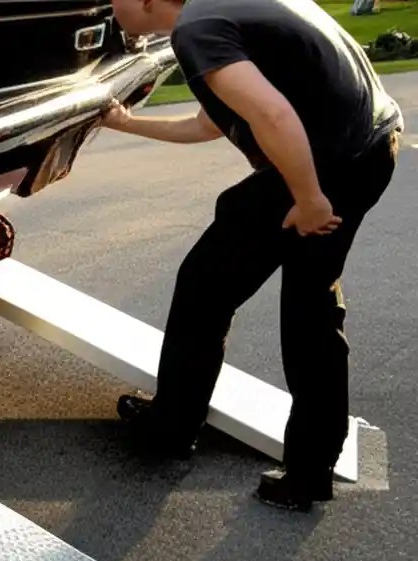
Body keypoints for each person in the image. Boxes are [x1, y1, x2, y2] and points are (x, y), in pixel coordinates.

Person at [99, 0, 404, 511]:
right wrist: (126, 124)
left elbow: (271, 114)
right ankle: (308, 469)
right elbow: (209, 124)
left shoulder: (196, 28)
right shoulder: (220, 11)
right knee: (306, 301)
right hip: (367, 144)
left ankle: (172, 429)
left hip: (330, 161)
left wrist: (308, 198)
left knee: (208, 284)